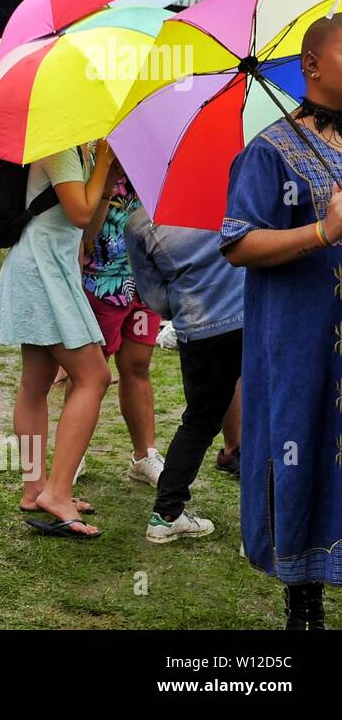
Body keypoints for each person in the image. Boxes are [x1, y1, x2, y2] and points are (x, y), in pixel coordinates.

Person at [222, 14, 342, 629]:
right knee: (305, 446)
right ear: (313, 66)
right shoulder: (269, 151)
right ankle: (306, 604)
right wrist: (324, 229)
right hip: (299, 341)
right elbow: (239, 243)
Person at [0, 140, 117, 537]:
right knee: (94, 377)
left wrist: (107, 178)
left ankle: (36, 489)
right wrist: (106, 163)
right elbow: (79, 214)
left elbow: (88, 231)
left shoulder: (83, 152)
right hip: (41, 273)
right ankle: (57, 492)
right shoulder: (59, 145)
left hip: (50, 270)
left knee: (35, 384)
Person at [125, 210, 244, 543]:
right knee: (272, 414)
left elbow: (155, 298)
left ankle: (167, 513)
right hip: (252, 314)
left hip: (199, 328)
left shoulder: (138, 225)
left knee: (198, 424)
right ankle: (279, 516)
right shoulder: (233, 196)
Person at [78, 167, 165, 486]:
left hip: (146, 284)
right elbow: (86, 230)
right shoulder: (97, 162)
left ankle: (144, 456)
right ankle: (74, 455)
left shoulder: (159, 165)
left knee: (138, 366)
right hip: (101, 282)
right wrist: (107, 176)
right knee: (90, 373)